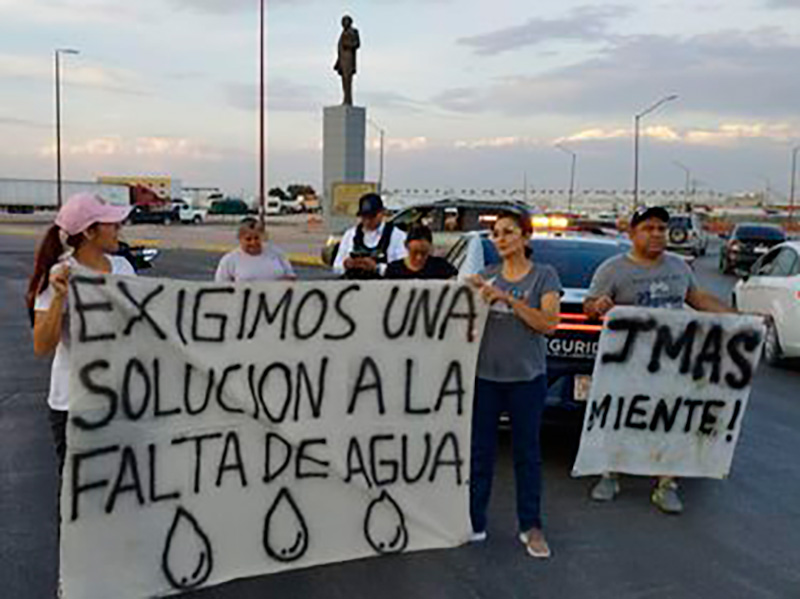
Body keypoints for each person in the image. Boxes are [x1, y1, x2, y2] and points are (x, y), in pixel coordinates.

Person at [583, 205, 735, 514]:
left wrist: (739, 320)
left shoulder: (679, 266)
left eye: (661, 229)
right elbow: (589, 307)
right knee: (621, 417)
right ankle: (610, 473)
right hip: (629, 364)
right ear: (632, 234)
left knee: (672, 422)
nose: (656, 234)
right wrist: (598, 305)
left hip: (672, 362)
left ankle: (666, 484)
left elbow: (698, 299)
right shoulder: (613, 270)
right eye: (648, 228)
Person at [468, 210, 562, 559]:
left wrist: (507, 299)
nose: (501, 239)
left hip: (526, 381)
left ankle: (531, 526)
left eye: (508, 232)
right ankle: (474, 521)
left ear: (525, 237)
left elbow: (549, 324)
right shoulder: (485, 276)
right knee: (480, 454)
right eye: (495, 233)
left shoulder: (544, 277)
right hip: (485, 380)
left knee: (527, 454)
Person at [27, 193, 134, 476]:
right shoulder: (59, 275)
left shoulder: (124, 269)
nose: (118, 227)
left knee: (122, 488)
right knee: (80, 493)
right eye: (111, 223)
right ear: (89, 232)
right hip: (74, 405)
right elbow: (42, 344)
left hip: (121, 402)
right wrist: (59, 297)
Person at [332, 193, 407, 279]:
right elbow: (336, 267)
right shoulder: (350, 235)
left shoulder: (397, 236)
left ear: (382, 213)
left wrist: (376, 267)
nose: (367, 221)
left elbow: (402, 270)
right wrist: (346, 265)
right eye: (364, 216)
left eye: (372, 216)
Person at [214, 217, 296, 283]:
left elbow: (291, 278)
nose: (253, 243)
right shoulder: (229, 260)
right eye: (248, 239)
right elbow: (221, 288)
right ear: (240, 239)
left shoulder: (277, 253)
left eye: (257, 238)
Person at [384, 224, 457, 280]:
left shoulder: (442, 267)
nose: (419, 257)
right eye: (414, 252)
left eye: (424, 253)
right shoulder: (394, 270)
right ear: (406, 246)